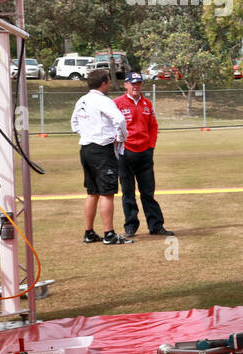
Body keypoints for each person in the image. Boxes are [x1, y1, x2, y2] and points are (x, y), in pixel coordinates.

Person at [70, 69, 131, 245]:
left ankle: (89, 233)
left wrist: (88, 133)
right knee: (107, 193)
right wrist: (121, 137)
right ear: (103, 82)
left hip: (86, 148)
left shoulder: (82, 100)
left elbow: (74, 124)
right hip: (102, 149)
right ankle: (109, 234)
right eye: (109, 81)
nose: (110, 84)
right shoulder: (103, 101)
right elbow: (119, 120)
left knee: (92, 192)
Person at [113, 71, 173, 238]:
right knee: (128, 192)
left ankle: (156, 225)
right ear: (126, 85)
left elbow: (153, 126)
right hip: (125, 153)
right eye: (132, 83)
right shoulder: (117, 103)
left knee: (148, 192)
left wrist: (151, 146)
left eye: (138, 83)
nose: (135, 86)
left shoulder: (147, 103)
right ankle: (130, 226)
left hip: (145, 153)